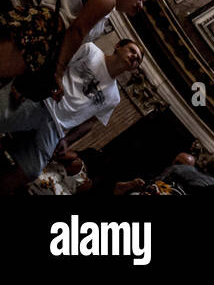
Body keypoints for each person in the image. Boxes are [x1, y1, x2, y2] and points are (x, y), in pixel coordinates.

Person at [0, 38, 141, 188]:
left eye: (138, 59)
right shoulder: (90, 50)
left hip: (56, 128)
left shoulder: (114, 97)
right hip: (43, 103)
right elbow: (56, 64)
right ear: (118, 46)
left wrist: (67, 140)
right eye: (132, 50)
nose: (134, 57)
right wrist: (31, 84)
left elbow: (91, 122)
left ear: (134, 68)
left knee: (31, 170)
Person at [41, 0, 148, 100]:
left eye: (143, 1)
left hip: (44, 37)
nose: (141, 5)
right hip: (41, 32)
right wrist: (58, 72)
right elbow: (77, 31)